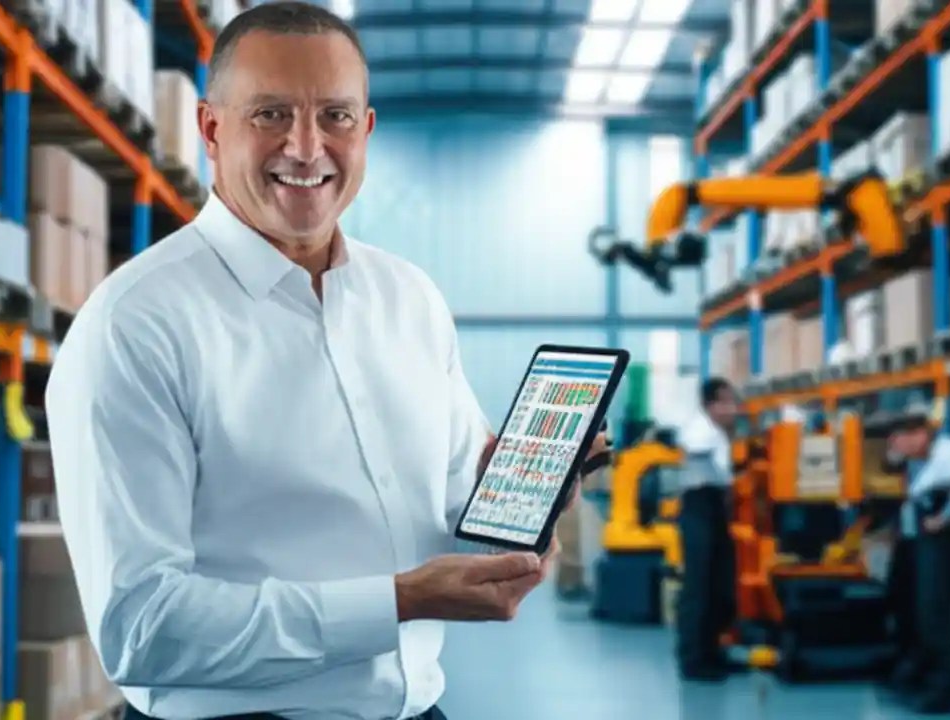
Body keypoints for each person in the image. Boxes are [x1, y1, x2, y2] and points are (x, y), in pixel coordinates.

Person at [43, 4, 607, 719]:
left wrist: (528, 498)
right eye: (271, 114)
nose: (307, 148)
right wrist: (397, 601)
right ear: (212, 130)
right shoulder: (135, 326)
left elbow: (452, 505)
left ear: (365, 130)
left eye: (335, 116)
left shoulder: (409, 298)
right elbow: (142, 626)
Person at [883, 406, 950, 715]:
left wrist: (944, 517)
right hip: (916, 540)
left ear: (921, 434)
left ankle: (944, 691)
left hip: (939, 540)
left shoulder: (949, 454)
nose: (899, 445)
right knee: (913, 609)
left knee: (935, 613)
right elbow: (891, 468)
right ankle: (917, 677)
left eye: (904, 438)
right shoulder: (915, 459)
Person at [671, 377, 741, 680]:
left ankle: (714, 652)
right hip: (699, 506)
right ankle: (693, 659)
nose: (731, 409)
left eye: (732, 402)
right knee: (698, 585)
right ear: (708, 404)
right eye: (724, 403)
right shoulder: (700, 428)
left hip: (716, 506)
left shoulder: (719, 432)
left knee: (719, 583)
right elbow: (691, 446)